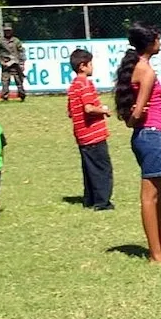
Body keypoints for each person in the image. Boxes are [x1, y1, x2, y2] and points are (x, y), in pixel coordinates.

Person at [115, 23, 161, 264]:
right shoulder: (146, 71)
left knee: (158, 194)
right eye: (158, 39)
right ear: (150, 43)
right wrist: (135, 116)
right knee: (150, 196)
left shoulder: (137, 67)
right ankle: (155, 253)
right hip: (150, 134)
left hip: (150, 134)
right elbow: (137, 114)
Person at [66, 47, 113, 209]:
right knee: (102, 169)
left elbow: (70, 112)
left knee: (89, 169)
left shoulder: (73, 86)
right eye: (90, 64)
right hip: (94, 134)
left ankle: (90, 199)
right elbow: (88, 108)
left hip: (81, 135)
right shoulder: (85, 84)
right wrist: (104, 110)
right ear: (83, 66)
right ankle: (102, 202)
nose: (93, 67)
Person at [0, 22, 27, 102]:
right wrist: (2, 62)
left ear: (12, 31)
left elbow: (21, 51)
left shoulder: (16, 41)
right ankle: (5, 97)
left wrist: (22, 63)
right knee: (5, 81)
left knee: (19, 80)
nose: (7, 32)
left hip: (16, 64)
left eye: (9, 30)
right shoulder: (0, 41)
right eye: (6, 30)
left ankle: (22, 95)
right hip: (6, 64)